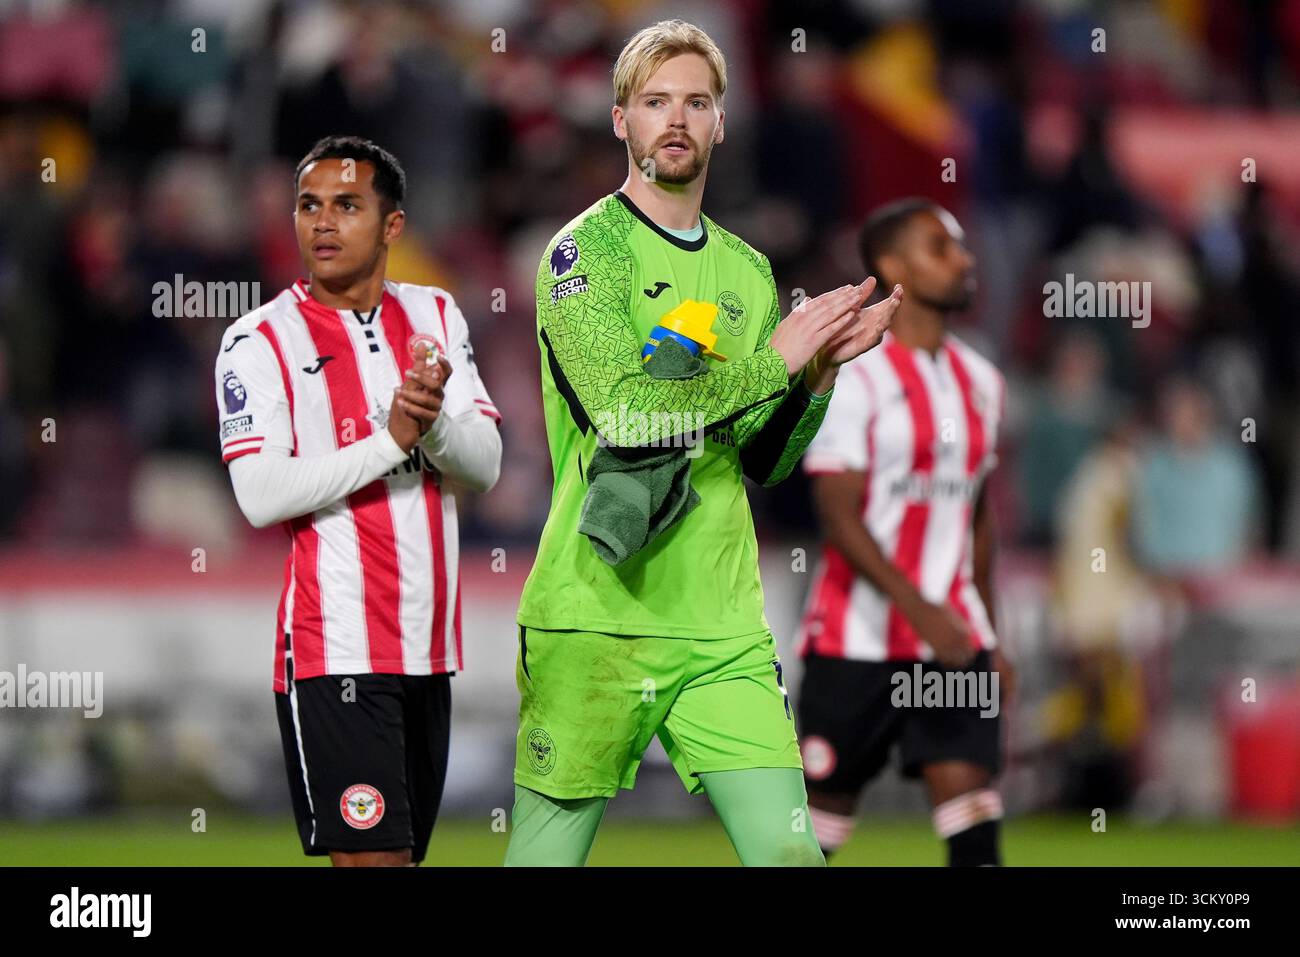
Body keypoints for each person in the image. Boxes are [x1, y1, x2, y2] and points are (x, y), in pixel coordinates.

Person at [506, 20, 901, 867]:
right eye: (655, 102)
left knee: (793, 857)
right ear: (621, 120)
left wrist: (815, 378)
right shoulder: (583, 254)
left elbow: (761, 456)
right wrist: (776, 360)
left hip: (721, 626)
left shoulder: (749, 273)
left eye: (696, 101)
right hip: (594, 615)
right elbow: (625, 415)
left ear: (722, 122)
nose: (676, 119)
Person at [214, 135, 502, 865]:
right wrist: (390, 439)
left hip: (430, 649)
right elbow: (259, 494)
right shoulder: (257, 339)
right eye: (309, 206)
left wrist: (430, 424)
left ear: (392, 226)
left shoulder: (435, 313)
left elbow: (486, 466)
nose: (322, 223)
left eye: (347, 206)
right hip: (334, 648)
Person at [796, 199, 1013, 866]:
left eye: (960, 245)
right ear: (892, 266)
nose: (964, 259)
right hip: (855, 641)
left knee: (974, 821)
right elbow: (838, 515)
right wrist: (921, 609)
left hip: (955, 641)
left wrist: (989, 633)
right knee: (816, 832)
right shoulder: (852, 371)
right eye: (940, 247)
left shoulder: (982, 380)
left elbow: (975, 512)